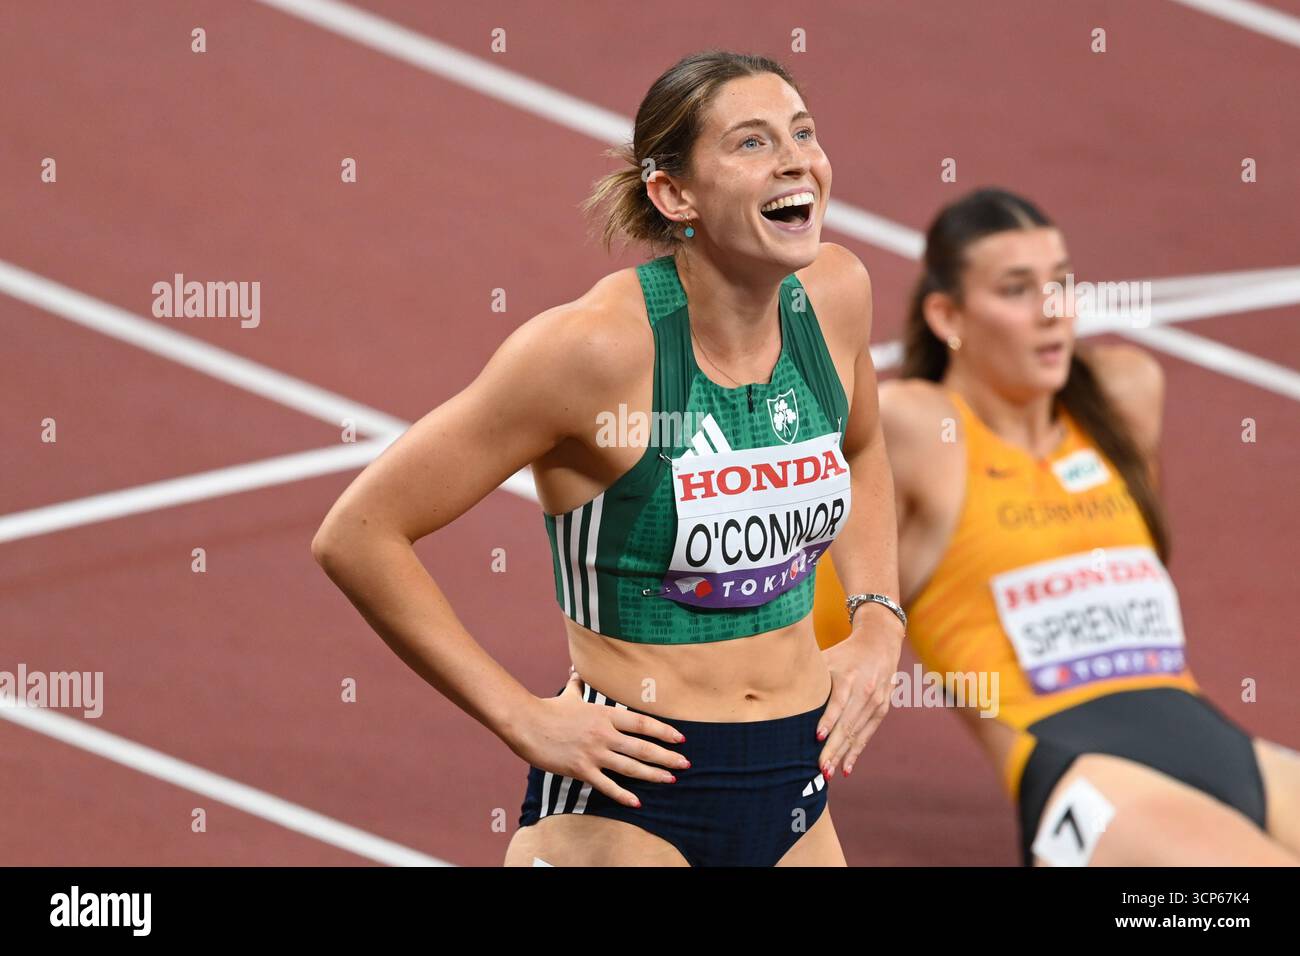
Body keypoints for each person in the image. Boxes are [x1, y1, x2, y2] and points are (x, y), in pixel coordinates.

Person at [312, 50, 907, 867]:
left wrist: (878, 616)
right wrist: (519, 715)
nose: (796, 159)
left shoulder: (836, 298)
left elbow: (863, 445)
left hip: (795, 784)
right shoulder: (591, 352)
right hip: (628, 802)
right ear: (673, 194)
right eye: (752, 143)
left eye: (803, 132)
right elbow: (360, 533)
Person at [814, 187, 1300, 866]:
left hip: (1219, 744)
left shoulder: (1124, 396)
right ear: (947, 314)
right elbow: (814, 627)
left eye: (1062, 283)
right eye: (1016, 290)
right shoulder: (920, 427)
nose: (1052, 313)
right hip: (1087, 779)